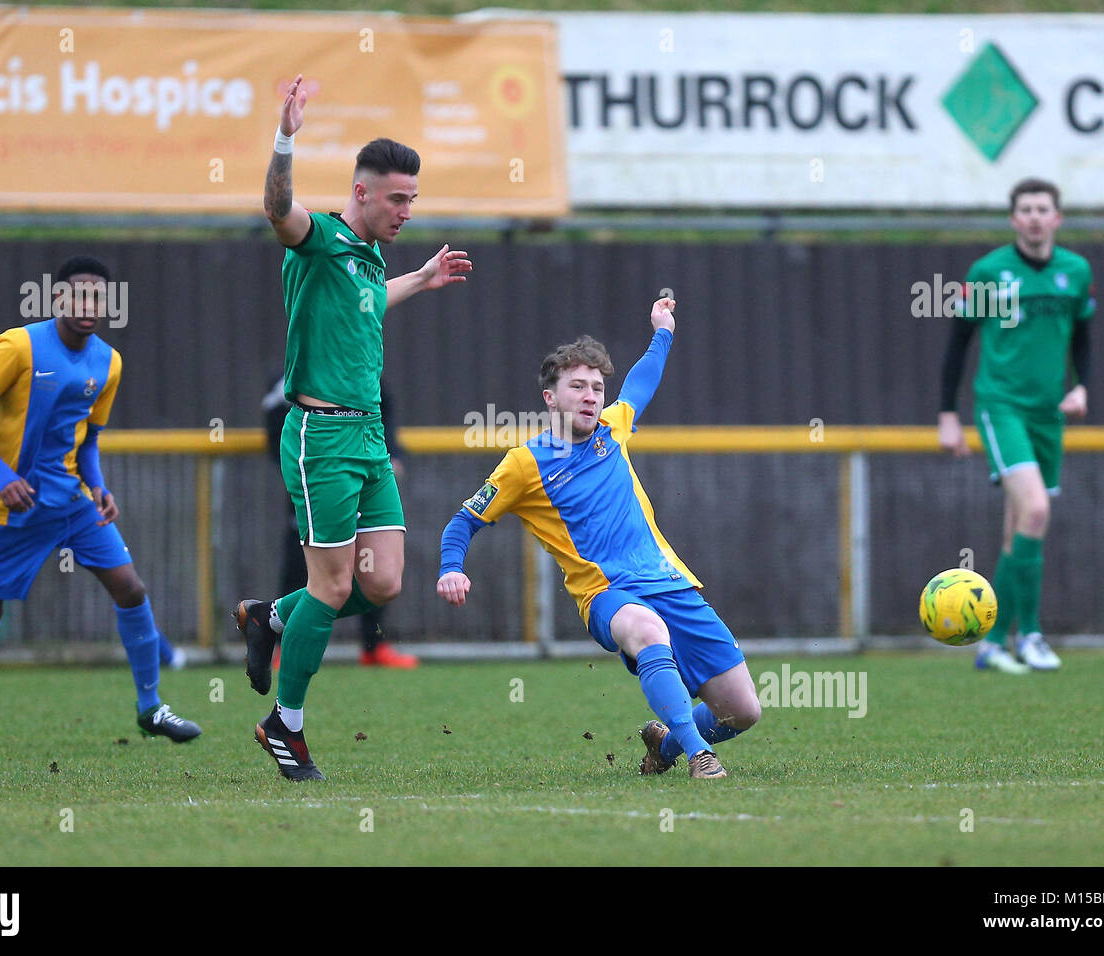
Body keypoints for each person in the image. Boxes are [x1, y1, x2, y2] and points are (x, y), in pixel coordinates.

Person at [236, 73, 471, 782]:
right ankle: (288, 723)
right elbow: (277, 206)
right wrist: (286, 136)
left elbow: (366, 302)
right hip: (321, 436)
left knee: (385, 582)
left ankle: (271, 617)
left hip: (366, 437)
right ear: (362, 192)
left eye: (413, 199)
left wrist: (419, 281)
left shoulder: (368, 259)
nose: (407, 210)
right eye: (397, 198)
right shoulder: (317, 239)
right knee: (334, 588)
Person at [436, 297, 760, 779]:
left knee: (742, 711)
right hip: (608, 593)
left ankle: (665, 746)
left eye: (597, 387)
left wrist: (663, 330)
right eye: (577, 386)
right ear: (550, 397)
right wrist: (450, 568)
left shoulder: (613, 426)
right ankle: (699, 756)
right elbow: (464, 522)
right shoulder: (525, 463)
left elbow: (643, 379)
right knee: (648, 633)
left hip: (669, 581)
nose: (591, 396)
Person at [0, 255, 200, 746]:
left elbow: (86, 440)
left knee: (131, 588)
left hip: (73, 501)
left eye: (98, 297)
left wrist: (100, 487)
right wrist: (2, 477)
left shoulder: (109, 362)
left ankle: (151, 707)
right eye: (79, 295)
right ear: (57, 299)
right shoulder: (18, 346)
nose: (88, 304)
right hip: (10, 505)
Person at [938, 178, 1094, 673]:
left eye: (1041, 208)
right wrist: (947, 414)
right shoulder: (990, 271)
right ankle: (1030, 635)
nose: (1032, 216)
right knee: (1037, 511)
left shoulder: (1076, 270)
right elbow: (958, 342)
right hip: (1000, 404)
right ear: (1013, 219)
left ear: (1056, 218)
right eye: (1024, 208)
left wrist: (1081, 387)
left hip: (1048, 413)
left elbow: (1083, 338)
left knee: (1021, 528)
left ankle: (989, 646)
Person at [261, 372, 418, 668]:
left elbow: (383, 412)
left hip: (363, 474)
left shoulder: (362, 367)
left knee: (374, 566)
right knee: (305, 564)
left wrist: (392, 454)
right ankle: (282, 641)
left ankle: (374, 644)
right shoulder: (292, 375)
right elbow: (276, 424)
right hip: (317, 476)